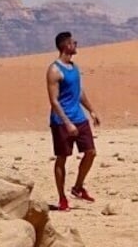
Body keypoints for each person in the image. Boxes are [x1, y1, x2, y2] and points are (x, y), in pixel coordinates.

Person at [46, 31, 100, 211]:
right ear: (65, 45)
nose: (76, 45)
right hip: (62, 121)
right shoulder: (54, 70)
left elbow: (79, 92)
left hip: (79, 117)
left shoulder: (74, 67)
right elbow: (53, 101)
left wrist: (91, 110)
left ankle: (78, 187)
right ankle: (62, 199)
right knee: (62, 158)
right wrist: (67, 122)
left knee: (90, 152)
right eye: (73, 42)